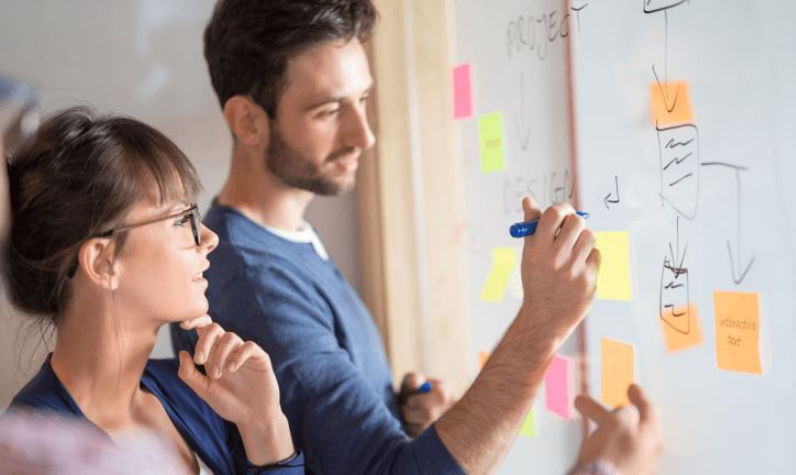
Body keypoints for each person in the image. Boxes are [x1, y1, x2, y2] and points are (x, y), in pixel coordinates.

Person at [171, 1, 663, 473]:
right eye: (328, 111)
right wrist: (542, 324)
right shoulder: (256, 285)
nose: (364, 134)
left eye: (363, 99)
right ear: (248, 121)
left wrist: (412, 430)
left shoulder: (282, 242)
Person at [4, 106, 303, 474]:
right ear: (103, 261)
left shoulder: (200, 393)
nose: (209, 238)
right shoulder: (35, 458)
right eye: (181, 220)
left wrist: (265, 426)